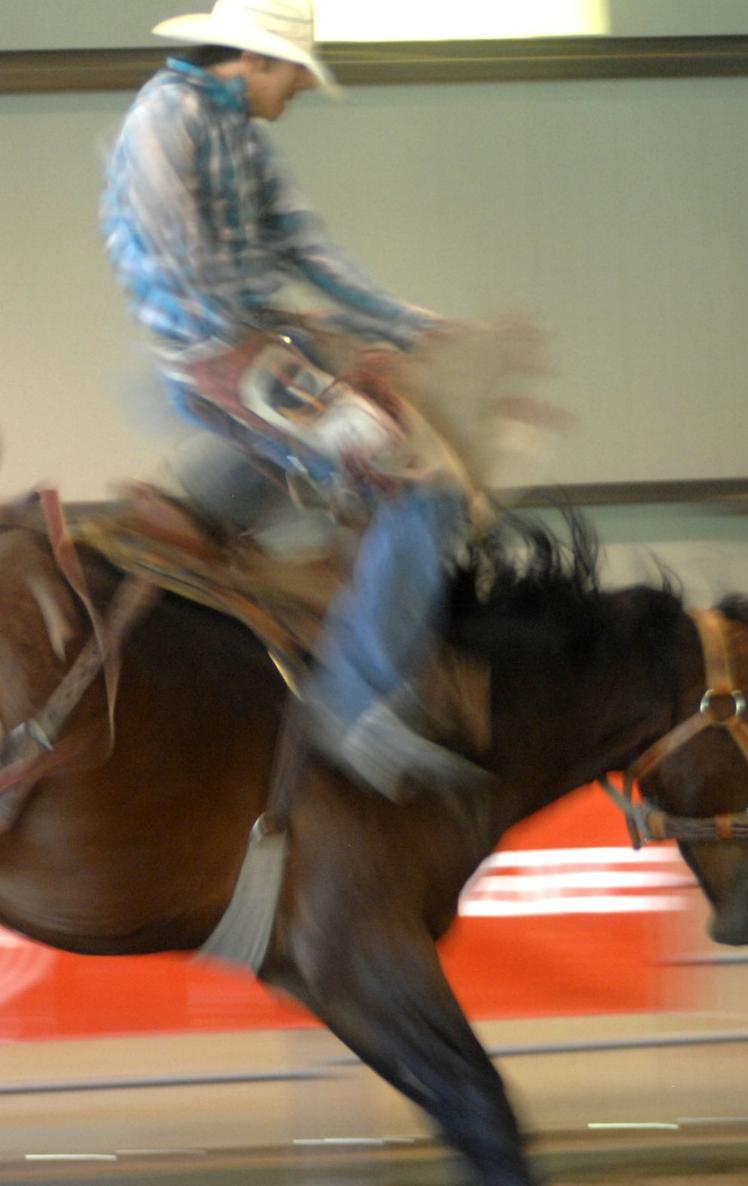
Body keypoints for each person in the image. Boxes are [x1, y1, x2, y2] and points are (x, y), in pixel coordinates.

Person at [101, 0, 490, 799]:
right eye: (297, 74)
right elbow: (186, 275)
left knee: (354, 446)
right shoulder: (162, 125)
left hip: (255, 344)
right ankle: (355, 703)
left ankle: (210, 504)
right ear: (255, 62)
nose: (301, 90)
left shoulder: (235, 134)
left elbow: (307, 247)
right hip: (219, 358)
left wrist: (406, 326)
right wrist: (302, 384)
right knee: (421, 489)